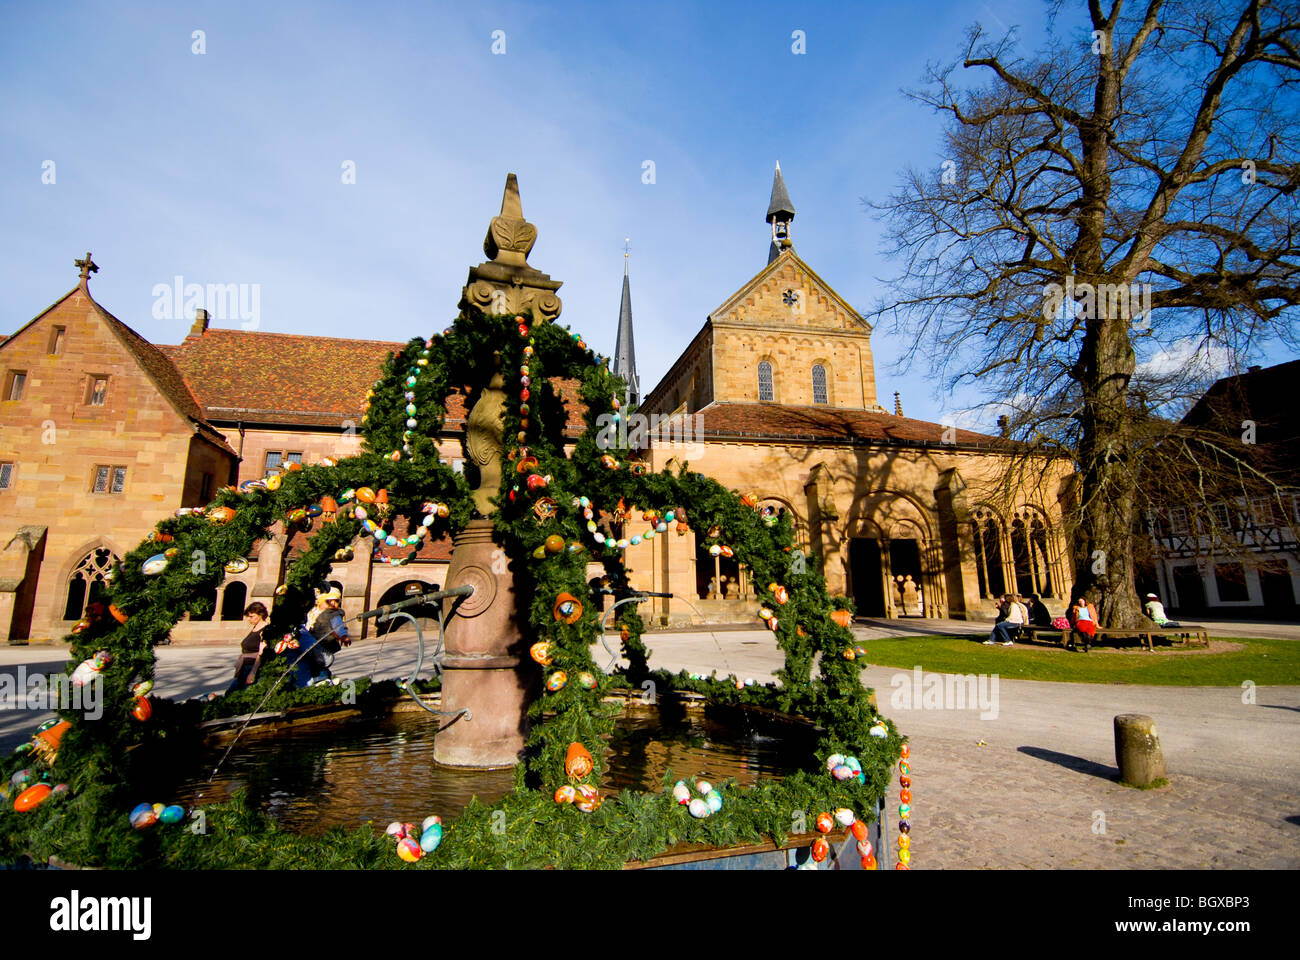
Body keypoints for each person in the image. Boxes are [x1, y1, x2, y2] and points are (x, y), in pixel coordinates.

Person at [301, 587, 350, 686]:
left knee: (319, 661)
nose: (333, 604)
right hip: (313, 640)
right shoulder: (313, 611)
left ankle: (322, 679)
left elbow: (338, 626)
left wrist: (343, 636)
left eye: (337, 601)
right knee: (313, 660)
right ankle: (325, 677)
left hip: (326, 642)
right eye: (329, 602)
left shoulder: (332, 614)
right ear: (320, 601)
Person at [226, 602, 269, 694]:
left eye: (251, 616)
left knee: (240, 694)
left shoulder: (265, 630)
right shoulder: (255, 627)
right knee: (231, 693)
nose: (249, 619)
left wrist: (253, 672)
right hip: (244, 667)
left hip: (252, 668)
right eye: (248, 617)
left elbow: (261, 653)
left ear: (260, 615)